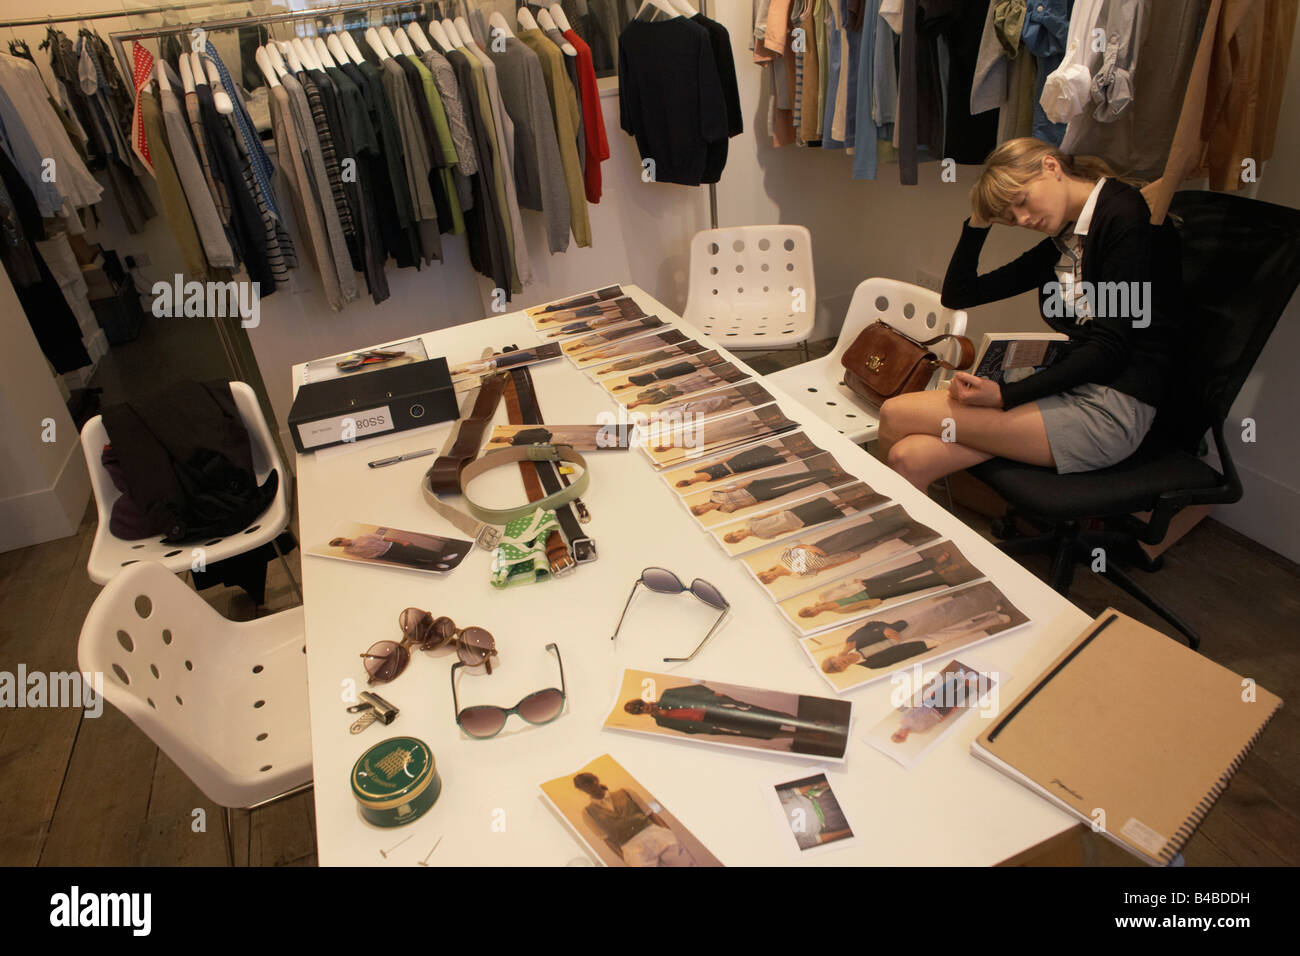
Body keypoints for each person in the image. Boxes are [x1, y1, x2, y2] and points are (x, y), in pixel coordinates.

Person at [876, 137, 1180, 491]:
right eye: (1011, 217)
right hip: (1070, 384)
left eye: (1021, 202)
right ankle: (917, 543)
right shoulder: (1068, 237)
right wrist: (980, 218)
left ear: (1051, 167)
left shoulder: (1123, 218)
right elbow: (961, 293)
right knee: (909, 457)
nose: (1022, 219)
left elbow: (1111, 347)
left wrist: (1006, 395)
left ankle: (892, 533)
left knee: (896, 413)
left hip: (1110, 408)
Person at [820, 587, 1011, 673]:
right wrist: (925, 648)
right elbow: (899, 657)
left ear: (833, 657)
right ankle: (994, 616)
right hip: (916, 644)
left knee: (946, 613)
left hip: (906, 629)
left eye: (835, 662)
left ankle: (990, 596)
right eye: (839, 668)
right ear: (844, 669)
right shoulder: (870, 666)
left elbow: (871, 625)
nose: (840, 663)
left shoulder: (851, 641)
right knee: (958, 630)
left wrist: (885, 630)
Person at [756, 509, 931, 584]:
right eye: (769, 580)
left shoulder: (780, 558)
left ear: (765, 572)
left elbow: (794, 544)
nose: (770, 577)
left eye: (765, 576)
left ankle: (896, 520)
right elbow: (824, 569)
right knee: (872, 543)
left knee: (863, 533)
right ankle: (901, 530)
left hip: (826, 547)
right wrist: (847, 561)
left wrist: (809, 549)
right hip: (837, 556)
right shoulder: (797, 577)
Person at [624, 685, 838, 740]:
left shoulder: (668, 694)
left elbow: (696, 691)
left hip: (717, 708)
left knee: (769, 715)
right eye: (641, 711)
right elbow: (687, 730)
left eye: (642, 704)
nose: (645, 708)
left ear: (644, 700)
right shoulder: (660, 723)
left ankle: (812, 725)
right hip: (711, 723)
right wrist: (711, 731)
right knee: (760, 731)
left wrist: (719, 697)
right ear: (641, 714)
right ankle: (805, 735)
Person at [573, 773, 694, 866]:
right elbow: (607, 840)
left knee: (684, 864)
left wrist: (669, 833)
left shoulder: (626, 792)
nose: (590, 787)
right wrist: (626, 860)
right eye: (585, 786)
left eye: (590, 782)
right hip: (631, 848)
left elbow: (651, 814)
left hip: (654, 833)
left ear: (596, 779)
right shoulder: (588, 813)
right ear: (582, 790)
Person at [798, 549, 963, 618]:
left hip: (866, 585)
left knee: (903, 573)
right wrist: (874, 604)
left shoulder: (824, 596)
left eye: (809, 610)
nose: (814, 611)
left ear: (809, 607)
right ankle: (943, 573)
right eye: (813, 614)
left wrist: (855, 581)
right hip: (875, 595)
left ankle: (935, 562)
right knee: (911, 586)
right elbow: (861, 608)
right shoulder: (839, 612)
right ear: (816, 615)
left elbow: (841, 585)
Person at [691, 468, 844, 516]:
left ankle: (824, 470)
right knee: (793, 487)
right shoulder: (725, 510)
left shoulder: (714, 494)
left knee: (789, 478)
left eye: (699, 508)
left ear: (699, 505)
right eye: (701, 512)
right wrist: (763, 502)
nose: (703, 509)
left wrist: (749, 482)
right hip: (759, 497)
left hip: (752, 488)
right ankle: (827, 476)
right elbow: (745, 507)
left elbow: (734, 488)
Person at [328, 531, 456, 569]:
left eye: (340, 541)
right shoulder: (347, 552)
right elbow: (363, 557)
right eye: (338, 545)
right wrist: (376, 558)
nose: (341, 544)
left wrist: (402, 541)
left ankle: (442, 557)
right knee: (411, 561)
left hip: (392, 546)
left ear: (343, 538)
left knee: (419, 552)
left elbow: (384, 538)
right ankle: (436, 564)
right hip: (383, 555)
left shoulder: (363, 536)